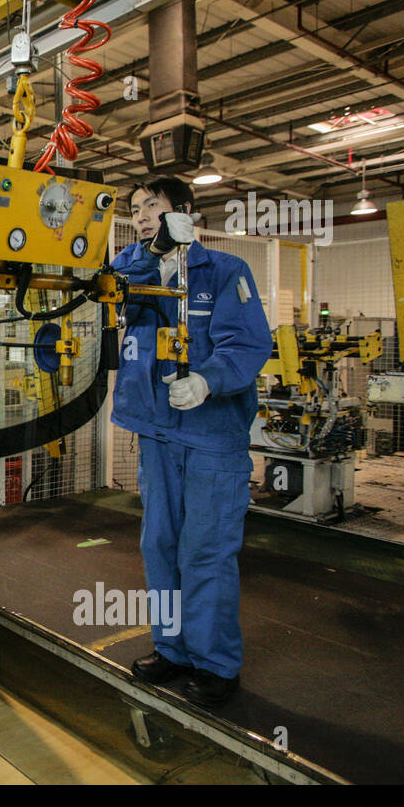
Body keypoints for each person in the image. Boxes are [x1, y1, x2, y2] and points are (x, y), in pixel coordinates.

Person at [110, 175, 273, 707]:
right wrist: (154, 249)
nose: (139, 216)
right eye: (134, 209)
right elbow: (108, 280)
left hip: (211, 438)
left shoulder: (226, 271)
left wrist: (207, 379)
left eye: (150, 206)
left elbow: (247, 342)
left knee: (204, 552)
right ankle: (173, 649)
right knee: (160, 546)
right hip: (157, 437)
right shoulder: (135, 270)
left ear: (183, 209)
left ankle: (216, 665)